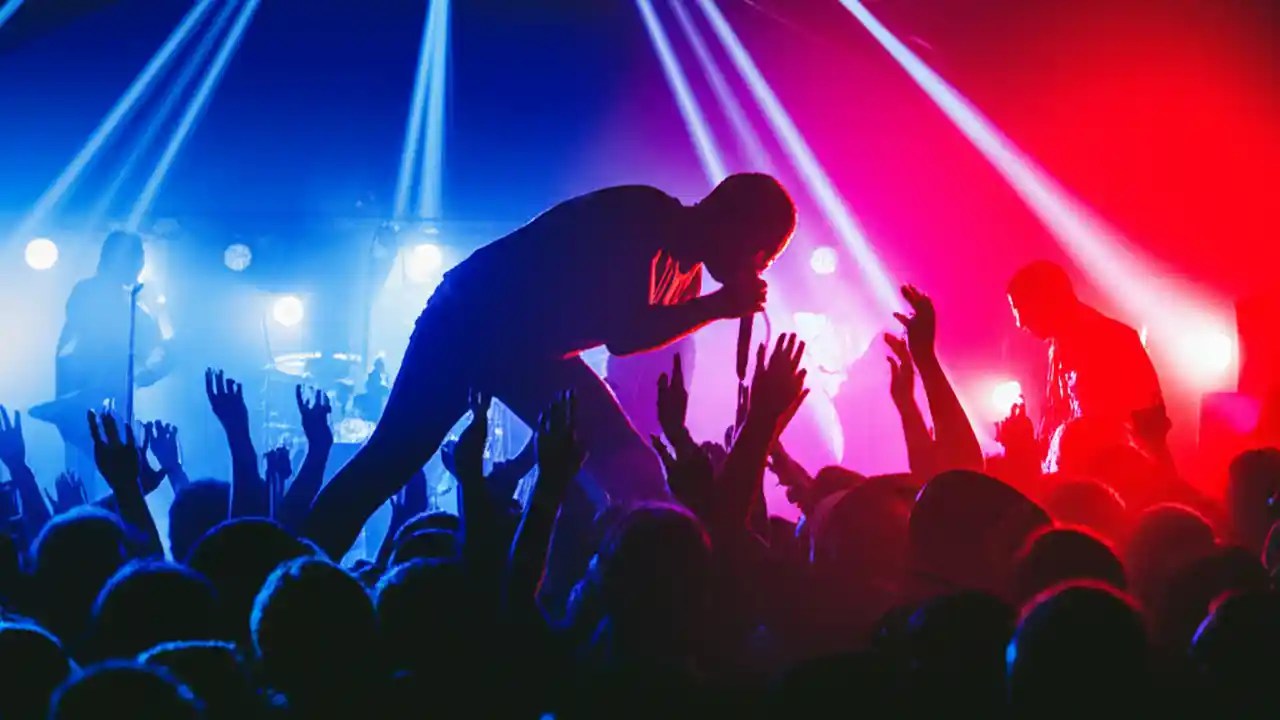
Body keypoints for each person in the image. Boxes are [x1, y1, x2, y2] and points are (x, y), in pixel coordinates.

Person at [305, 174, 797, 558]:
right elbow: (624, 333)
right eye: (764, 252)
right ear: (734, 221)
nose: (758, 267)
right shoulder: (644, 214)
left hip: (536, 354)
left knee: (633, 467)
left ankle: (622, 593)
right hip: (470, 321)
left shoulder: (686, 277)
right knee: (391, 460)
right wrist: (719, 306)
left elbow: (636, 339)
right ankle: (296, 565)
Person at [32, 231, 171, 488]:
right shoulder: (89, 292)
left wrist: (152, 367)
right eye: (136, 257)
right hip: (85, 401)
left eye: (141, 258)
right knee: (85, 473)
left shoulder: (134, 302)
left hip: (113, 399)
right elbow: (75, 342)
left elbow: (154, 346)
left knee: (117, 473)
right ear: (116, 259)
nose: (140, 265)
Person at [1006, 261, 1165, 468]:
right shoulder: (1057, 348)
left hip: (1119, 477)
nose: (1020, 323)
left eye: (1019, 308)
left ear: (1046, 299)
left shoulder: (1114, 341)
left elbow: (1150, 429)